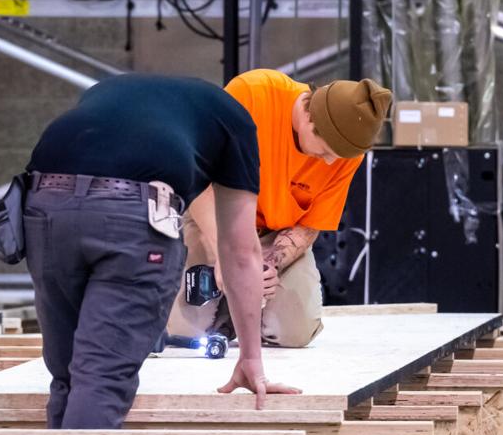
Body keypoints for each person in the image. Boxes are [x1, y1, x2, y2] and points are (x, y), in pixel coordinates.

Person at [23, 73, 300, 429]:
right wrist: (250, 358)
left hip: (43, 204)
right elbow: (241, 250)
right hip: (131, 215)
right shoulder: (237, 121)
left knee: (69, 373)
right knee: (101, 378)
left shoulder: (110, 90)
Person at [166, 70, 392, 348]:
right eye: (325, 151)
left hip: (276, 232)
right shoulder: (253, 93)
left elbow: (311, 224)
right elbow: (197, 177)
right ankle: (227, 315)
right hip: (215, 220)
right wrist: (228, 255)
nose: (331, 163)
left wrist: (268, 266)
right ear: (310, 118)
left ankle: (238, 312)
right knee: (183, 331)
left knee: (294, 333)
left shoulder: (345, 154)